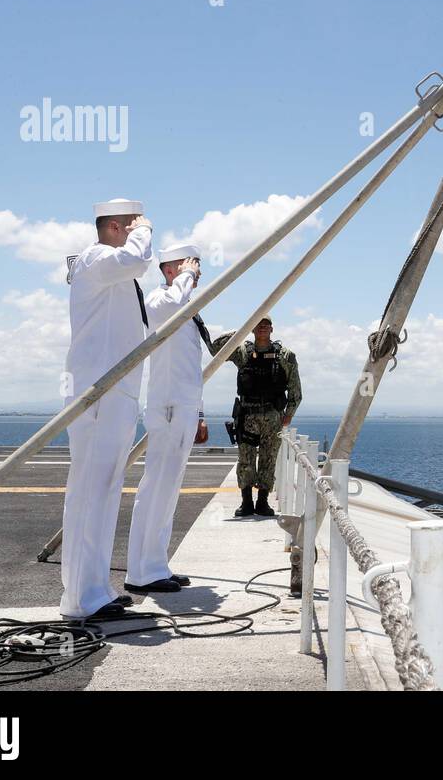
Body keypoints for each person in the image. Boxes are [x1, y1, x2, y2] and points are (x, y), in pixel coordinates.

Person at [60, 198, 152, 620]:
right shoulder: (98, 257)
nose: (140, 230)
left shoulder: (106, 267)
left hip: (115, 391)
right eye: (131, 225)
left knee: (105, 491)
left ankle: (95, 588)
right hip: (99, 392)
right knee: (91, 492)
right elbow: (135, 260)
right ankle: (80, 598)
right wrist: (143, 231)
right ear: (115, 227)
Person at [125, 243, 211, 595]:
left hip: (184, 406)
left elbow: (190, 366)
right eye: (192, 265)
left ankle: (155, 565)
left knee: (169, 490)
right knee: (156, 487)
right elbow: (174, 303)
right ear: (171, 269)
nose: (198, 272)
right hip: (170, 407)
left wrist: (200, 413)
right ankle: (141, 571)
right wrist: (186, 276)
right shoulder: (160, 300)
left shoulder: (184, 306)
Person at [210, 317, 301, 518]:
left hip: (272, 416)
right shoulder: (241, 352)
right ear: (252, 329)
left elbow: (295, 390)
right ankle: (246, 502)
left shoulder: (285, 356)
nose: (262, 328)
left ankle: (262, 502)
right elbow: (215, 349)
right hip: (247, 414)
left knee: (268, 459)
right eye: (258, 325)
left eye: (266, 325)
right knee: (246, 459)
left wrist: (288, 415)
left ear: (272, 329)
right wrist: (239, 332)